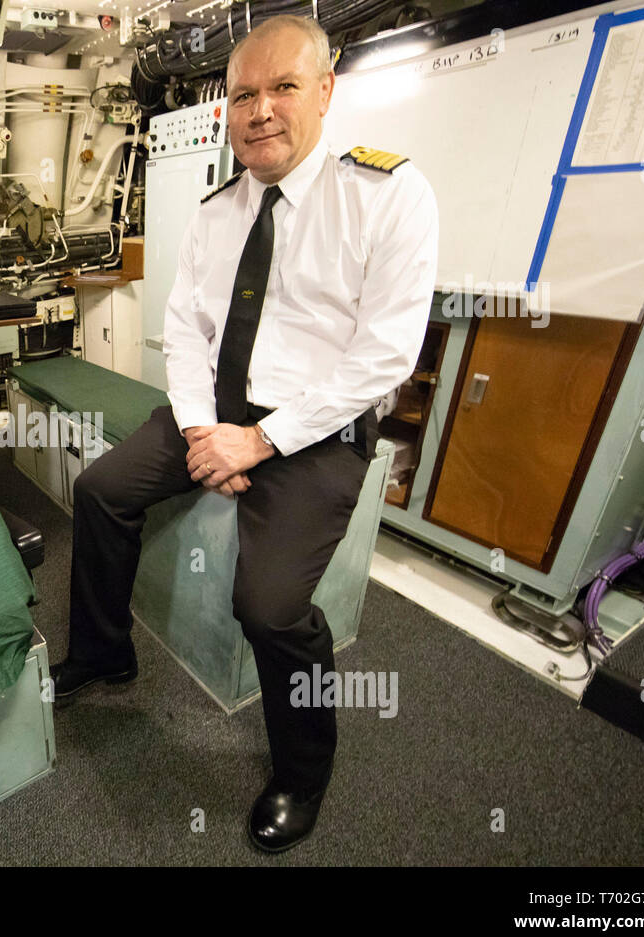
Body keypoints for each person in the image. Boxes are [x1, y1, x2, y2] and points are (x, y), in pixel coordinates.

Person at [49, 14, 439, 853]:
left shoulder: (387, 193)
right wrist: (202, 432)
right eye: (242, 95)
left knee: (267, 607)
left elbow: (385, 358)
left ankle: (303, 769)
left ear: (325, 91)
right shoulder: (221, 208)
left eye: (283, 88)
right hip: (214, 410)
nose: (260, 110)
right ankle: (104, 652)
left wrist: (259, 444)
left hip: (317, 432)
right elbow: (186, 329)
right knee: (100, 490)